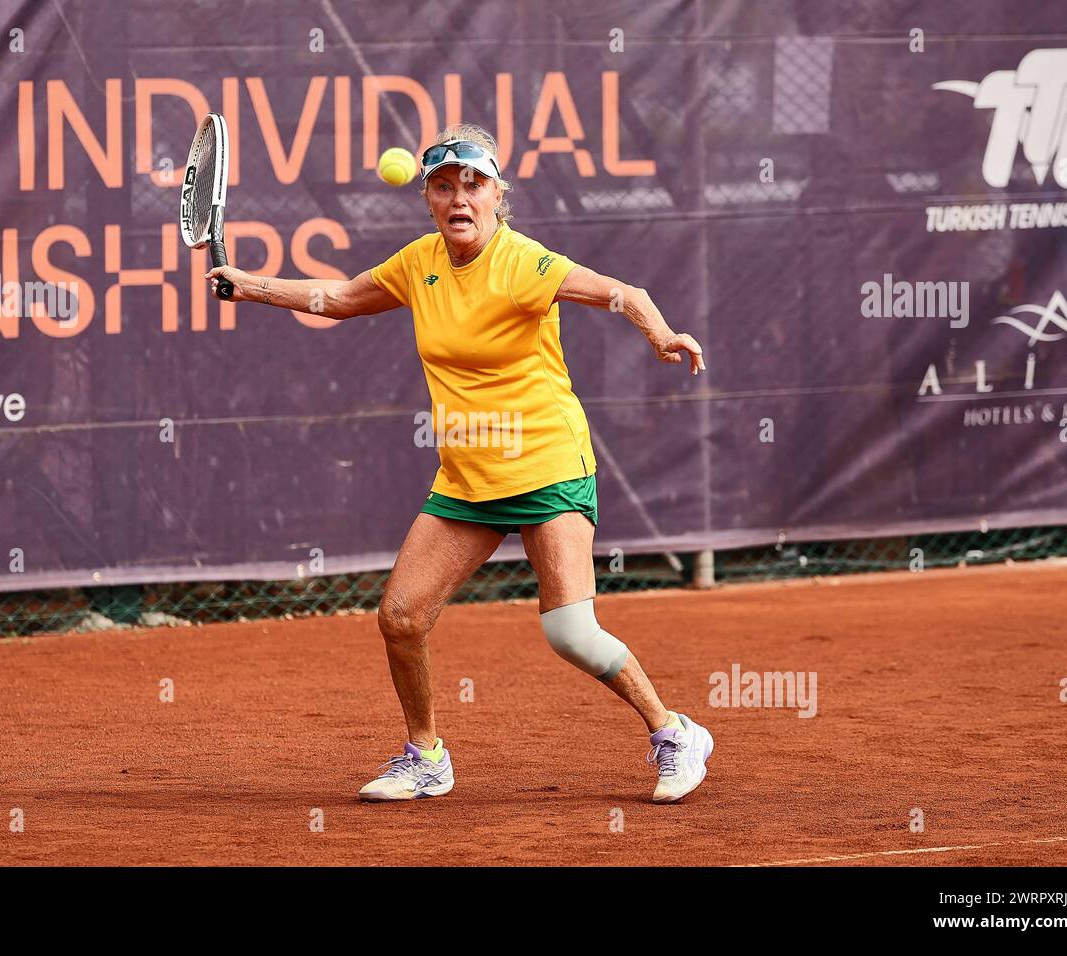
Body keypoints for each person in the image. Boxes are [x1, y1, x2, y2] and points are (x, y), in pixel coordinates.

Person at [207, 124, 712, 804]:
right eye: (443, 188)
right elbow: (343, 300)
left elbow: (623, 294)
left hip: (548, 466)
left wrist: (660, 334)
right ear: (428, 201)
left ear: (499, 194)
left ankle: (675, 732)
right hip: (469, 480)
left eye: (472, 184)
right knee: (402, 617)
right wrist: (250, 286)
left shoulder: (526, 263)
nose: (458, 198)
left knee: (570, 632)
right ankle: (427, 756)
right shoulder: (419, 264)